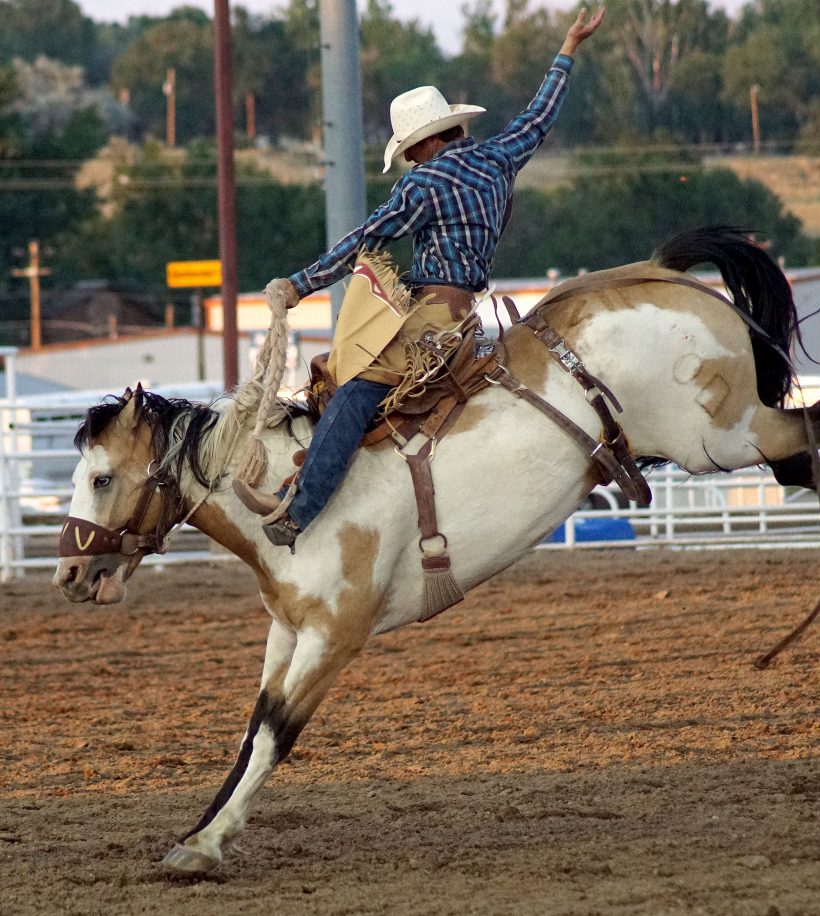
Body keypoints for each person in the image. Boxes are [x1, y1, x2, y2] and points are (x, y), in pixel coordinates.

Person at [235, 7, 607, 548]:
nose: (409, 159)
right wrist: (568, 48)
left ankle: (299, 506)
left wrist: (298, 285)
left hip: (431, 317)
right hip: (469, 316)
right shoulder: (497, 159)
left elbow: (363, 240)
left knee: (357, 389)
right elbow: (538, 117)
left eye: (408, 150)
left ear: (424, 143)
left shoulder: (424, 186)